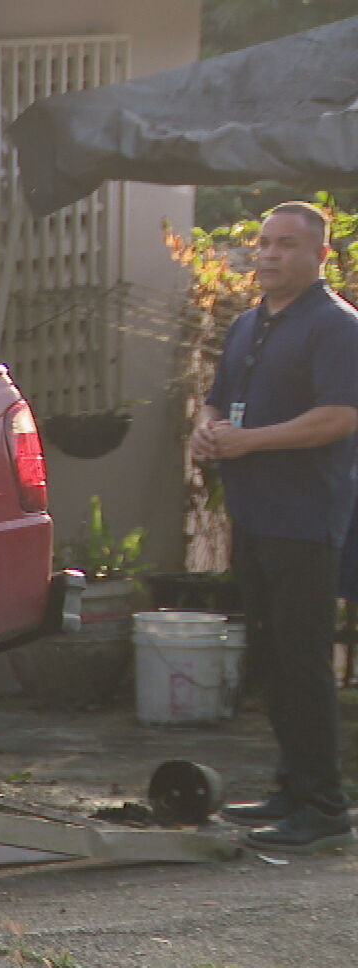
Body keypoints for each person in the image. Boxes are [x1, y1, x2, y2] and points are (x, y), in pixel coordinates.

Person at [192, 201, 358, 854]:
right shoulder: (248, 324)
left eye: (285, 245)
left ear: (318, 255)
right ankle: (291, 785)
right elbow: (220, 393)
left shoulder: (336, 326)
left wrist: (249, 442)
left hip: (305, 519)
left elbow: (340, 416)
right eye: (262, 243)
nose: (268, 255)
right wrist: (208, 429)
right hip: (253, 515)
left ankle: (324, 803)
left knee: (302, 659)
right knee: (269, 658)